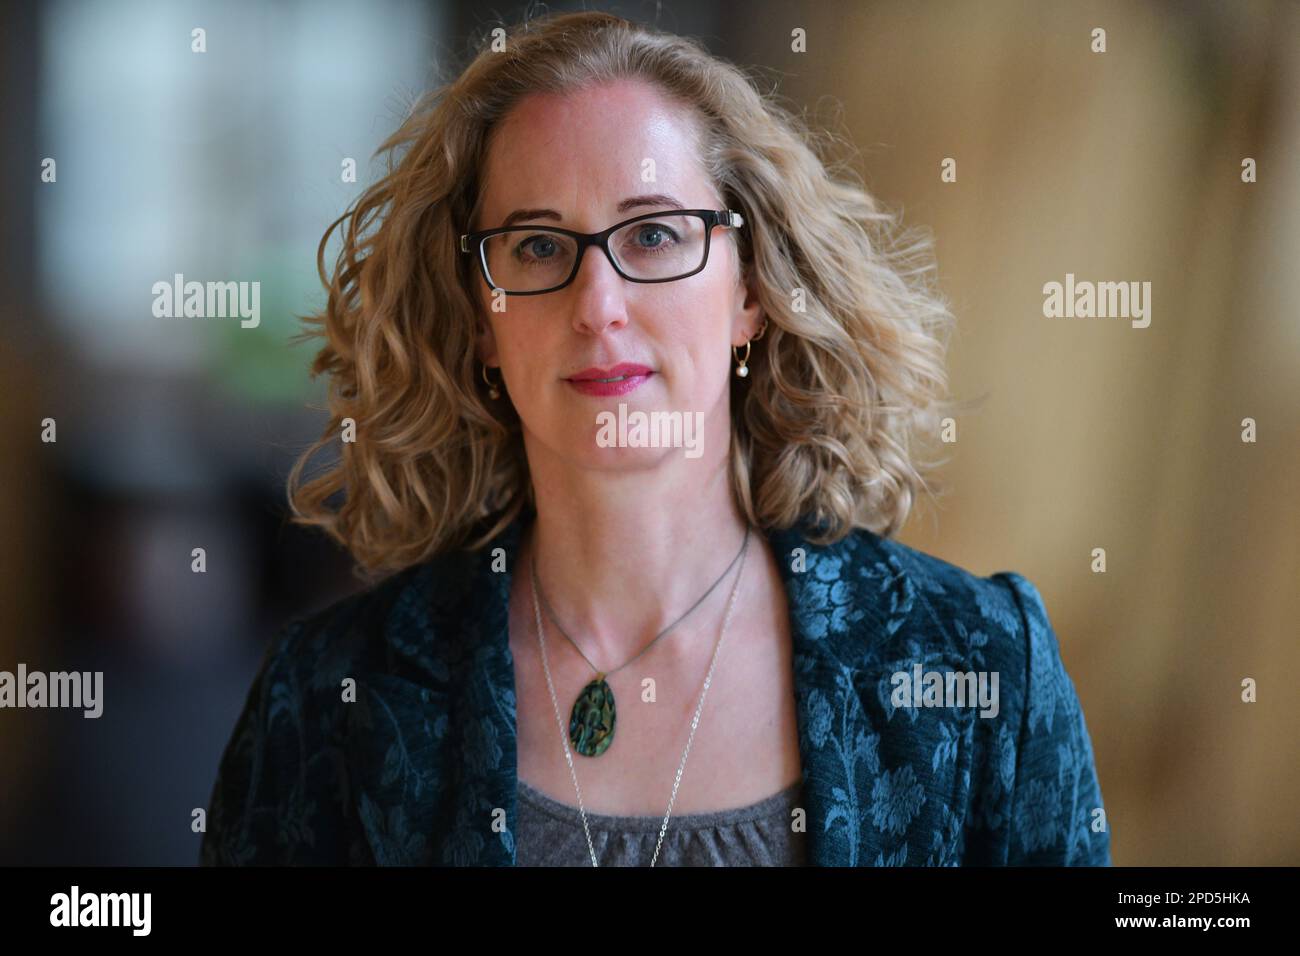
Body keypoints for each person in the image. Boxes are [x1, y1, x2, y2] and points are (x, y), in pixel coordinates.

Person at [199, 10, 1110, 867]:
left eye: (657, 235)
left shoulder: (982, 667)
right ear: (481, 317)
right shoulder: (328, 700)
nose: (599, 308)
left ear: (751, 291)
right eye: (538, 247)